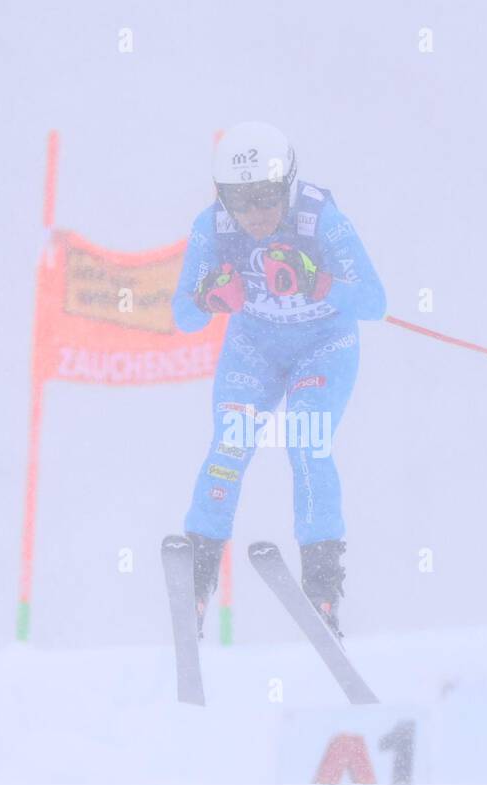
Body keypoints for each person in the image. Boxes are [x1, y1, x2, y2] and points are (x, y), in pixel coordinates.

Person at [171, 121, 386, 639]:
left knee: (307, 441)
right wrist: (207, 297)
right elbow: (184, 316)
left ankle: (324, 588)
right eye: (239, 201)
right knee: (230, 446)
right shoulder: (213, 227)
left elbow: (375, 302)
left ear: (288, 184)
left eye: (266, 198)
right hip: (254, 351)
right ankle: (197, 580)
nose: (254, 215)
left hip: (323, 349)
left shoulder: (319, 219)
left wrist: (318, 281)